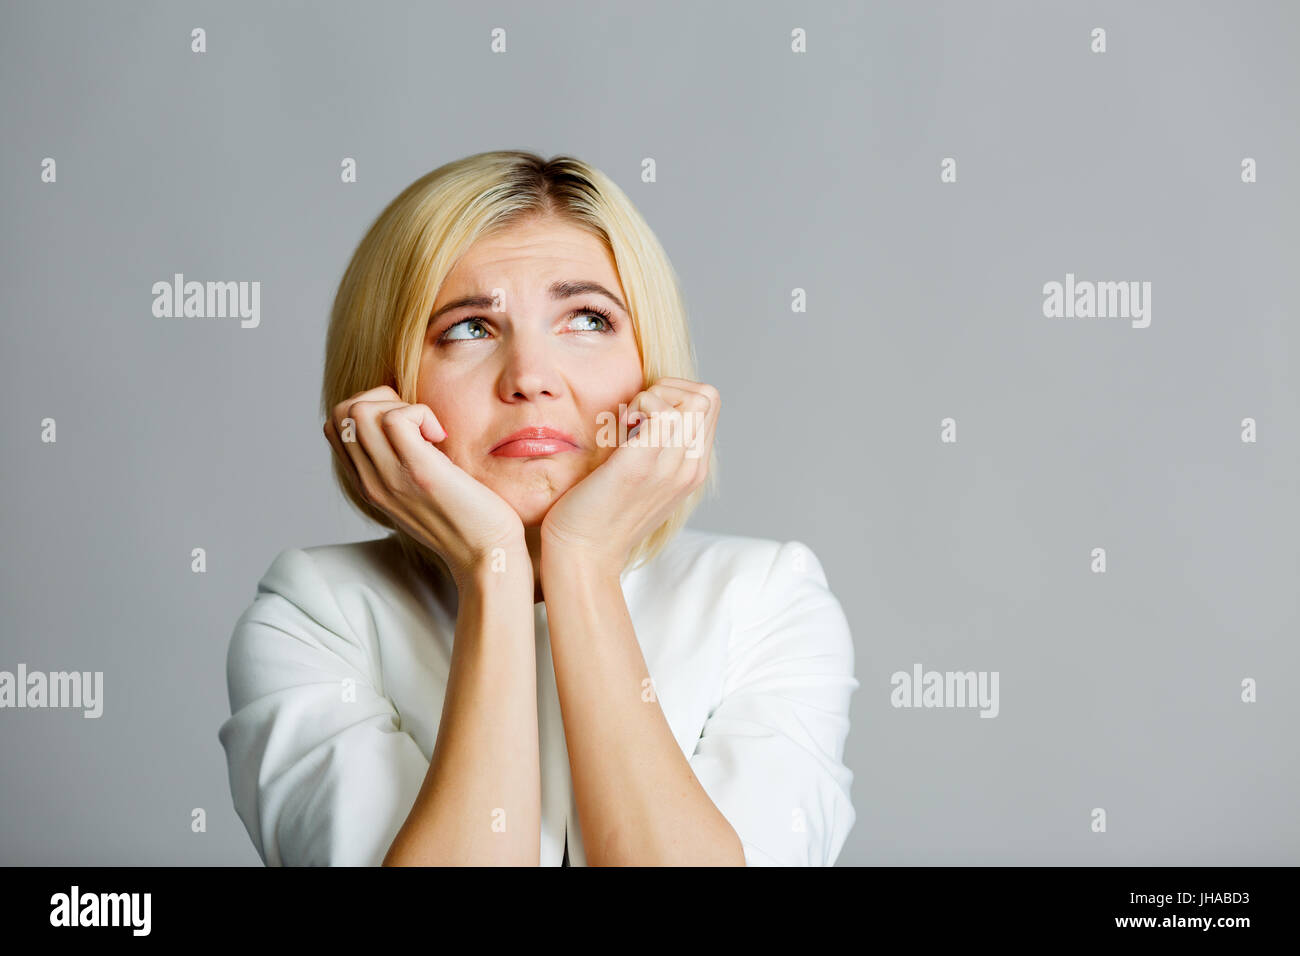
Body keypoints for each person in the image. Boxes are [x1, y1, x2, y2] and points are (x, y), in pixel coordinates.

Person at [217, 150, 859, 866]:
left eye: (586, 318)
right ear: (388, 386)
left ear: (649, 365)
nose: (530, 377)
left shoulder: (766, 599)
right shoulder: (315, 613)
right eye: (467, 328)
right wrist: (493, 570)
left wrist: (580, 565)